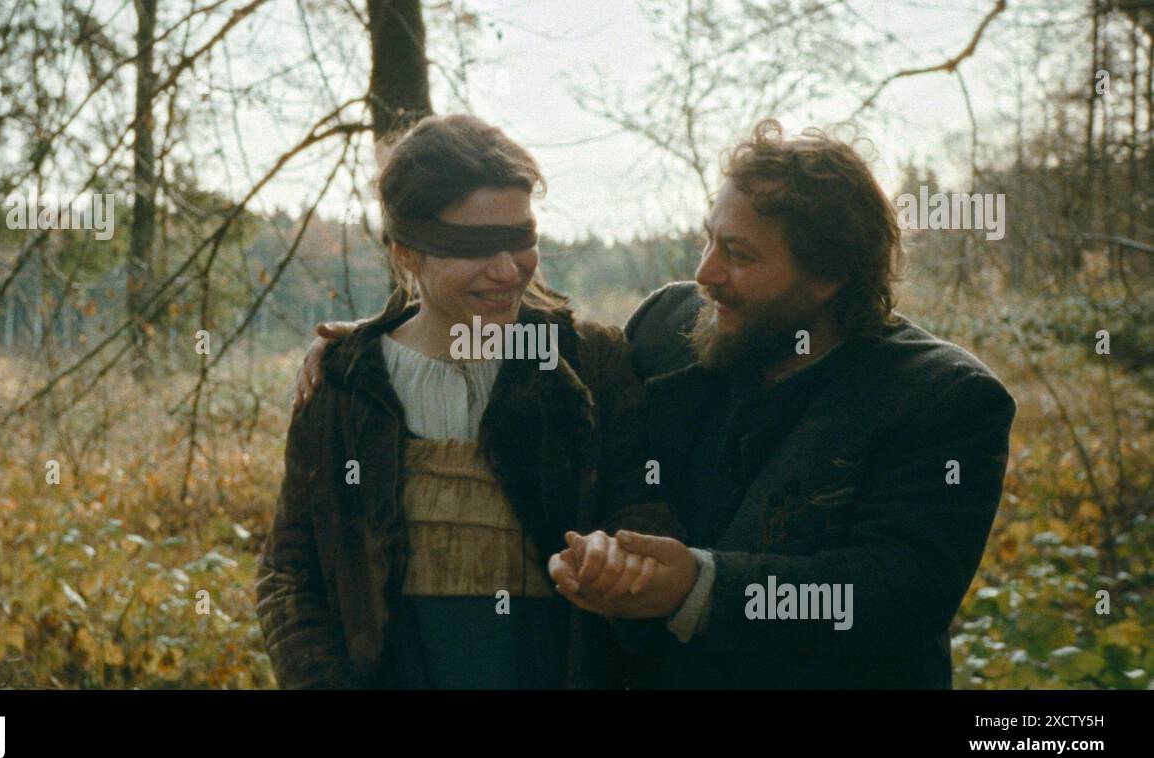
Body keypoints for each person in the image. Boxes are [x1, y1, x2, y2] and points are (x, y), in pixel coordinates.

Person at [547, 119, 1017, 688]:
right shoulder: (662, 329)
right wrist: (596, 551)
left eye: (738, 255)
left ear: (830, 275)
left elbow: (894, 597)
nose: (704, 273)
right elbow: (611, 466)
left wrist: (701, 588)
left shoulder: (943, 397)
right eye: (708, 239)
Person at [256, 113, 679, 689]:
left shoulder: (587, 363)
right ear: (407, 253)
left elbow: (642, 505)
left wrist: (615, 555)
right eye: (473, 246)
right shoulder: (348, 383)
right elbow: (292, 572)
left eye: (521, 237)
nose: (507, 270)